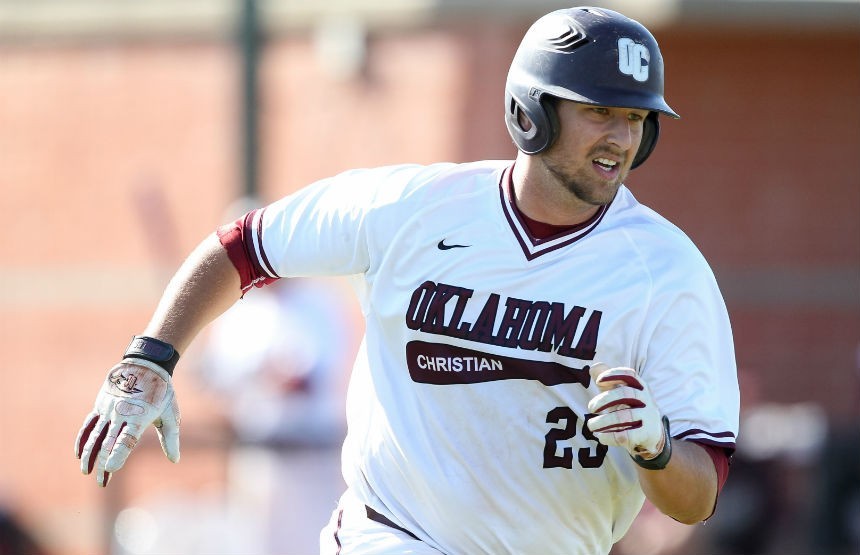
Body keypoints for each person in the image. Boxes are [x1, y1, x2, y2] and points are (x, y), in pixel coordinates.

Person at [75, 7, 740, 554]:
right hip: (390, 535)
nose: (621, 137)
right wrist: (151, 355)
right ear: (533, 111)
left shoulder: (668, 272)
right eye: (600, 110)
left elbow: (700, 490)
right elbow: (246, 246)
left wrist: (655, 447)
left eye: (635, 119)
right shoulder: (414, 207)